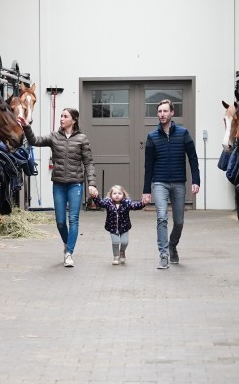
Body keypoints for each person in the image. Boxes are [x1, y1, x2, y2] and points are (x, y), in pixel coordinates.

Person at [23, 108, 97, 267]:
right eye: (61, 116)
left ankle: (69, 253)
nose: (61, 119)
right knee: (61, 222)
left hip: (75, 184)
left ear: (74, 120)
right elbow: (35, 140)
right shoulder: (54, 136)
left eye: (65, 116)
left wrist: (91, 184)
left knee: (74, 219)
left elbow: (89, 163)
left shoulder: (82, 139)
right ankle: (67, 243)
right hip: (58, 184)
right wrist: (26, 127)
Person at [141, 99, 200, 269]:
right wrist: (147, 190)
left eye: (165, 111)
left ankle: (173, 244)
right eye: (159, 111)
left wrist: (196, 180)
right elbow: (148, 165)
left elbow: (193, 158)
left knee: (179, 221)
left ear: (172, 113)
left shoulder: (183, 133)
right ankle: (164, 254)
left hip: (179, 183)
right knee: (161, 217)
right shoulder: (152, 137)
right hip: (159, 183)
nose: (162, 114)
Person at [89, 184, 146, 265]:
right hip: (112, 227)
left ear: (123, 195)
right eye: (114, 193)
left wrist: (144, 203)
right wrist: (95, 196)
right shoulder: (108, 203)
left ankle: (122, 252)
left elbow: (135, 206)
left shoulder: (127, 203)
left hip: (124, 227)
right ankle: (116, 256)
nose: (117, 195)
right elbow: (99, 203)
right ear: (111, 195)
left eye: (119, 193)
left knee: (124, 242)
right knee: (115, 242)